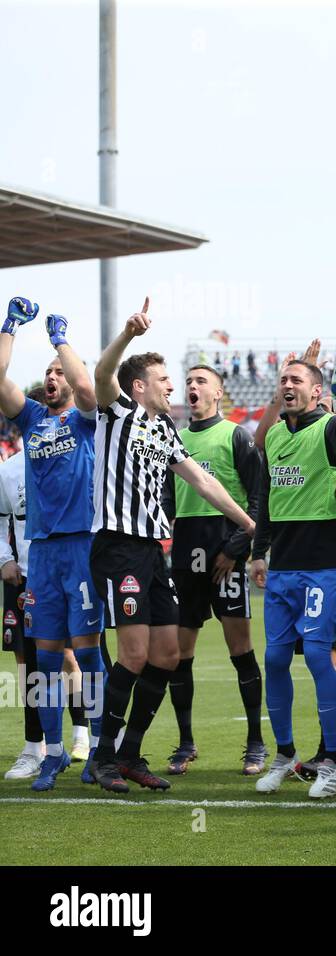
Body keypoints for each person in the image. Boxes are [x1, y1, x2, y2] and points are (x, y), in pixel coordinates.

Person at [89, 298, 257, 793]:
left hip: (152, 553)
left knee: (166, 654)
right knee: (136, 654)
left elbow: (203, 482)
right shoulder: (117, 411)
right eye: (164, 379)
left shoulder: (165, 429)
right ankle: (102, 758)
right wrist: (127, 336)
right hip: (118, 547)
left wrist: (250, 524)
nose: (173, 386)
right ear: (139, 386)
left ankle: (129, 755)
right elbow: (102, 372)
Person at [0, 299, 108, 791]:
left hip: (81, 547)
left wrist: (59, 339)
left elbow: (87, 387)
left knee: (86, 657)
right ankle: (53, 751)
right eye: (46, 372)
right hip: (40, 551)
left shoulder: (86, 420)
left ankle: (100, 749)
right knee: (45, 659)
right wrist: (10, 328)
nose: (52, 376)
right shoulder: (32, 420)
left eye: (57, 371)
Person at [250, 350, 336, 799]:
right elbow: (265, 495)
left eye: (296, 379)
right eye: (283, 379)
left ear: (316, 390)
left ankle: (335, 761)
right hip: (283, 568)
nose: (287, 385)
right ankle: (284, 755)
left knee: (319, 656)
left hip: (327, 567)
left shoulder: (331, 427)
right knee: (276, 660)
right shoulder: (276, 436)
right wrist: (260, 552)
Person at [165, 364, 267, 776]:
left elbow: (259, 499)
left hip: (226, 558)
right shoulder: (173, 441)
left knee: (239, 650)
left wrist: (236, 549)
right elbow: (168, 502)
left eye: (200, 381)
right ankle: (186, 742)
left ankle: (256, 743)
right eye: (188, 381)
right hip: (185, 556)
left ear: (219, 393)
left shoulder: (235, 436)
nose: (192, 386)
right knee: (178, 655)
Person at [0, 445, 39, 779]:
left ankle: (90, 738)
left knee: (79, 656)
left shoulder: (79, 452)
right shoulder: (8, 470)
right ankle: (35, 747)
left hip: (70, 570)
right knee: (27, 662)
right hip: (24, 577)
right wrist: (4, 557)